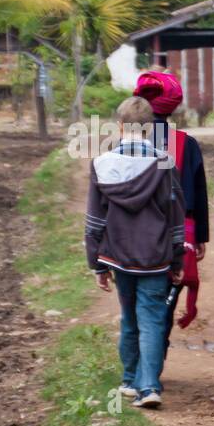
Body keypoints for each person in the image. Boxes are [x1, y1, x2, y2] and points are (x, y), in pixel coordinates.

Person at [85, 96, 185, 409]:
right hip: (155, 257)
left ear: (120, 126)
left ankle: (130, 380)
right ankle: (149, 387)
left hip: (118, 256)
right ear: (149, 129)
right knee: (153, 321)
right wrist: (178, 256)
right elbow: (175, 215)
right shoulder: (165, 164)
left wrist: (97, 264)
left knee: (129, 318)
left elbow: (95, 220)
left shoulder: (101, 164)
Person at [132, 70, 210, 335]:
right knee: (166, 299)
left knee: (137, 303)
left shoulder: (130, 144)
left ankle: (139, 370)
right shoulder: (186, 144)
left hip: (135, 234)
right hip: (177, 235)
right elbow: (197, 194)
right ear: (172, 106)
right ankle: (156, 356)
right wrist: (199, 236)